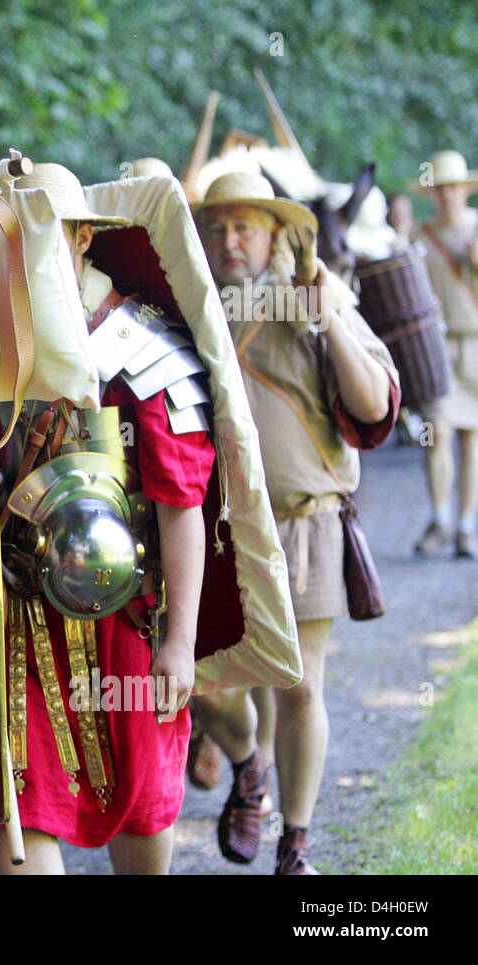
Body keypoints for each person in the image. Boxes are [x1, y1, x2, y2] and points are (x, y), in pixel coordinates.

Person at [0, 165, 214, 875]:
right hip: (16, 619)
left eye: (45, 236)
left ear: (84, 238)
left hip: (127, 617)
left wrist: (179, 641)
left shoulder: (143, 348)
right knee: (22, 806)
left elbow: (181, 505)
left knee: (143, 802)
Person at [192, 170, 399, 874]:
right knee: (209, 687)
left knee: (301, 685)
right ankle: (249, 766)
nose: (230, 240)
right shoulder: (185, 305)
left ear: (275, 233)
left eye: (245, 226)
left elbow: (373, 407)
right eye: (217, 226)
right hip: (214, 532)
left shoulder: (319, 293)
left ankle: (296, 841)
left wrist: (331, 317)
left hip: (305, 523)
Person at [411, 150, 478, 558]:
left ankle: (466, 525)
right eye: (441, 188)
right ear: (432, 193)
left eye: (454, 187)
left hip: (476, 343)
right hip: (435, 346)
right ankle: (440, 517)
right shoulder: (420, 236)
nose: (448, 195)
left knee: (472, 440)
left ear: (464, 190)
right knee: (436, 433)